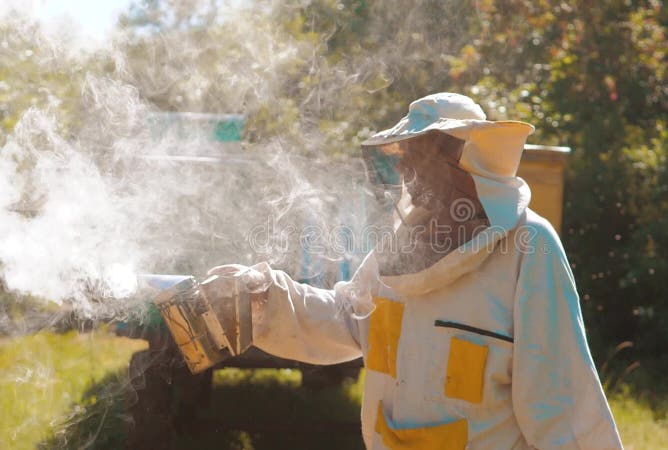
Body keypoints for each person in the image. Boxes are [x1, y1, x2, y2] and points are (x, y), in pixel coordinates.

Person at [209, 93, 623, 449]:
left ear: (463, 158)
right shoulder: (405, 243)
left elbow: (560, 400)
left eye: (416, 157)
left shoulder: (528, 247)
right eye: (402, 158)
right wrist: (263, 295)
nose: (406, 172)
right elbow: (349, 319)